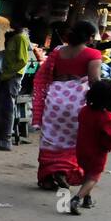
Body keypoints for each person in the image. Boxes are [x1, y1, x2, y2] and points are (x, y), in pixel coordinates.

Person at [32, 20, 102, 189]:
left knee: (50, 138)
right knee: (73, 140)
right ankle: (63, 171)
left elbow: (46, 74)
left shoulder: (58, 51)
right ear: (90, 37)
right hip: (77, 101)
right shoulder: (93, 54)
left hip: (54, 99)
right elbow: (94, 81)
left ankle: (48, 177)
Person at [70, 79, 111, 215]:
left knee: (88, 173)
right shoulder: (108, 118)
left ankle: (87, 198)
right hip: (97, 152)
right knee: (94, 177)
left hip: (81, 149)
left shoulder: (84, 111)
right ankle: (77, 198)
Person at [0, 18, 31, 150]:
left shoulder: (20, 38)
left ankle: (5, 140)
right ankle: (1, 139)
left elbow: (22, 61)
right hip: (8, 77)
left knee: (7, 109)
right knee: (3, 108)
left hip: (12, 77)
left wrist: (7, 74)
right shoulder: (17, 37)